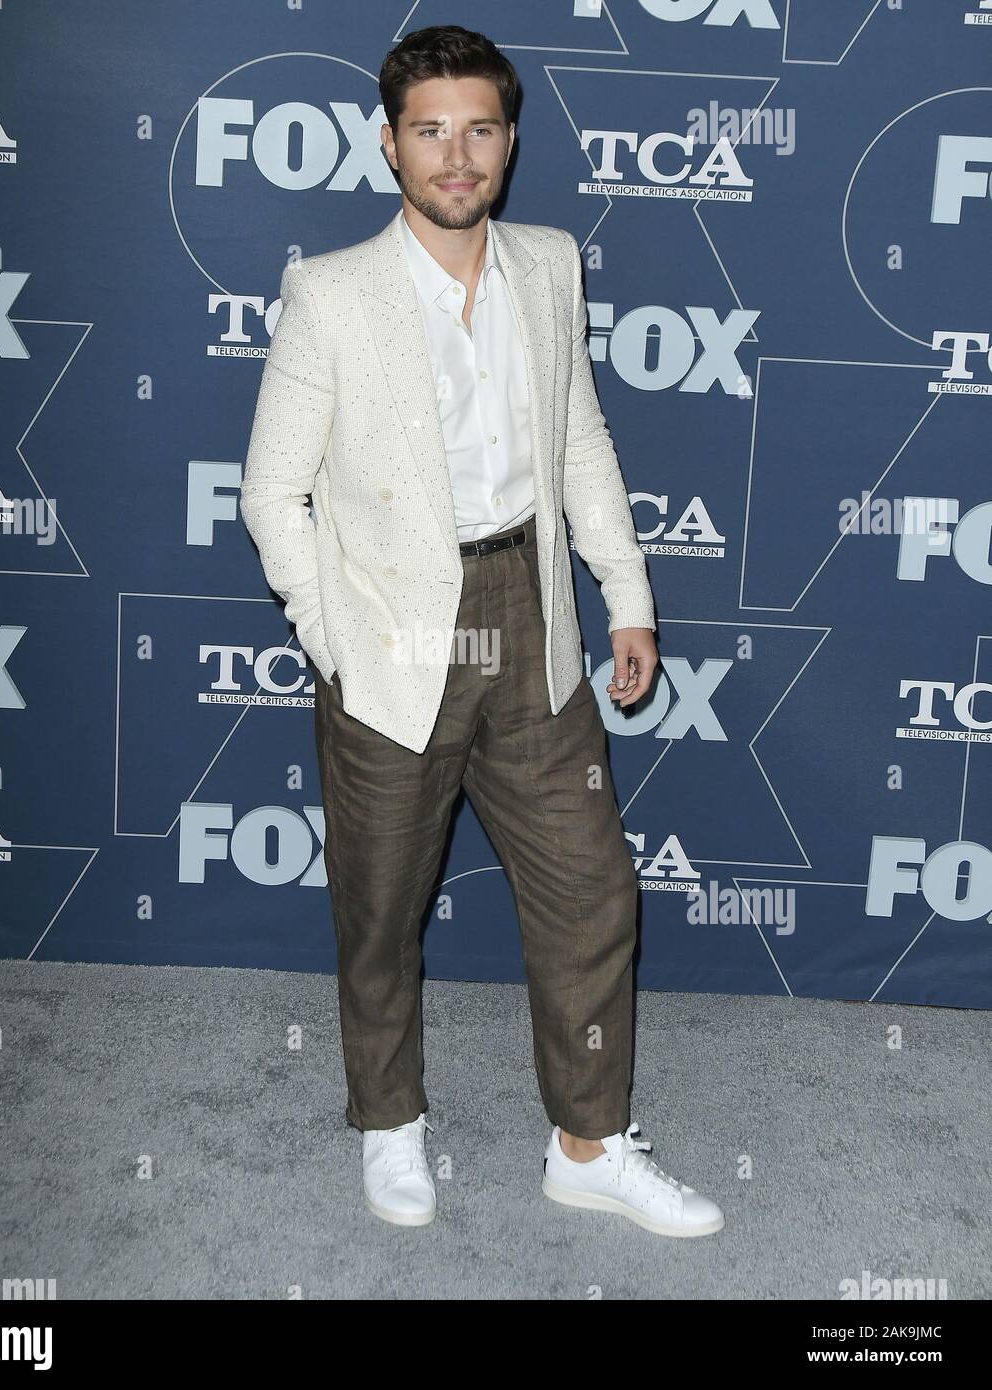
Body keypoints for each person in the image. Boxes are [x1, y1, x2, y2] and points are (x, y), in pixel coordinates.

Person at [240, 24, 723, 1238]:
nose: (456, 156)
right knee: (381, 902)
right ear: (387, 142)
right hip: (395, 634)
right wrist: (333, 636)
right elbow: (270, 493)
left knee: (593, 889)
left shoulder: (550, 264)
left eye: (479, 130)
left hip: (530, 610)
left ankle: (588, 1140)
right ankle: (389, 1119)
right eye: (429, 130)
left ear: (508, 143)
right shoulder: (332, 290)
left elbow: (577, 443)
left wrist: (625, 597)